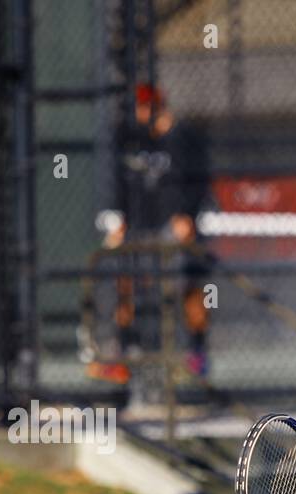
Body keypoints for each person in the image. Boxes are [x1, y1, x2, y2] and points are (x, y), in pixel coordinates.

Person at [88, 84, 211, 383]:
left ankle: (196, 354)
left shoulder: (183, 138)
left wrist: (188, 217)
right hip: (141, 228)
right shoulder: (132, 140)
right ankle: (123, 354)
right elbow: (122, 186)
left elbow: (200, 181)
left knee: (187, 287)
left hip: (173, 228)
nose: (139, 114)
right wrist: (120, 222)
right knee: (124, 285)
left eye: (144, 108)